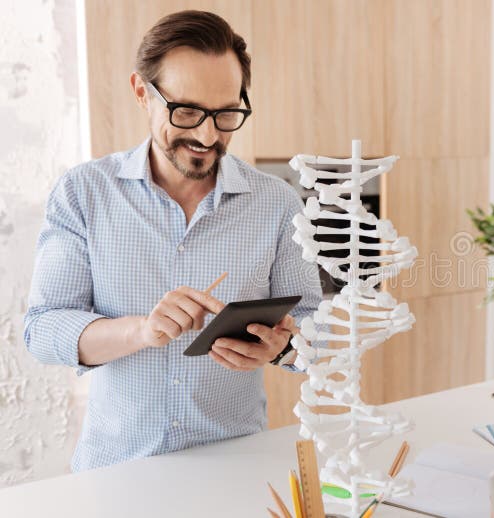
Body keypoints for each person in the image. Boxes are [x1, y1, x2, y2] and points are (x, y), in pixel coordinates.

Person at [24, 10, 322, 471]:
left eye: (225, 114)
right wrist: (141, 331)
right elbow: (42, 330)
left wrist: (283, 348)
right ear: (142, 93)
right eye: (186, 111)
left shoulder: (277, 204)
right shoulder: (83, 193)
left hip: (235, 467)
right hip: (118, 470)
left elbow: (318, 332)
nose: (207, 136)